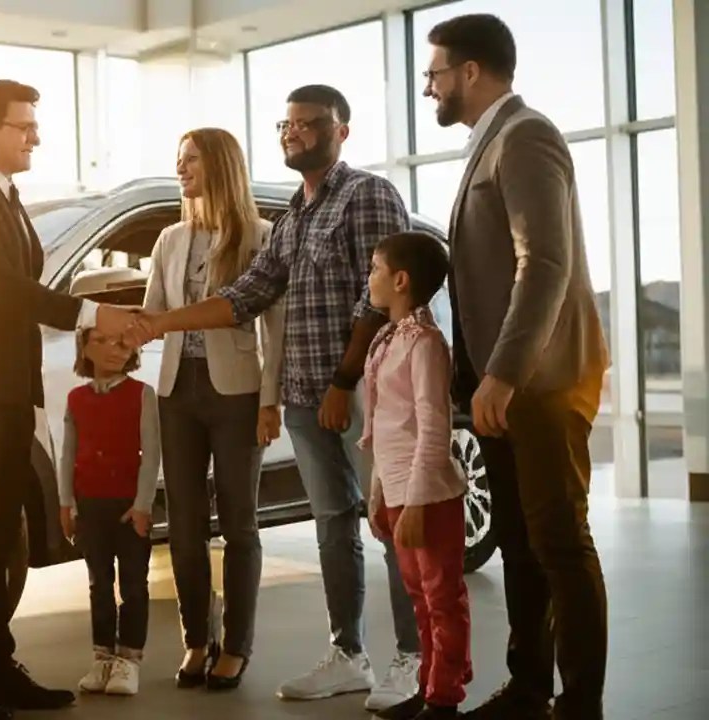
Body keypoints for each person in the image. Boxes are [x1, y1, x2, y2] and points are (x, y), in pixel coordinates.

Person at [126, 85, 423, 713]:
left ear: (341, 130)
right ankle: (349, 655)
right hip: (306, 398)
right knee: (333, 527)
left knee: (394, 523)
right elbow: (245, 298)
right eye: (286, 125)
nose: (294, 134)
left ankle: (412, 658)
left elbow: (386, 300)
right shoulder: (294, 218)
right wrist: (158, 324)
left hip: (362, 392)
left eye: (309, 124)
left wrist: (344, 384)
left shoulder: (366, 195)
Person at [0, 78, 135, 720]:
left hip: (4, 392)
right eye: (23, 126)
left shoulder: (5, 197)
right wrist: (94, 312)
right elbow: (1, 290)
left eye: (34, 125)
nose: (34, 136)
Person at [420, 15, 609, 720]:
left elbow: (546, 263)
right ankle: (530, 690)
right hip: (503, 387)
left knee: (560, 542)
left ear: (471, 72)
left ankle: (580, 705)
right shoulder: (490, 143)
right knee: (524, 547)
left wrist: (502, 370)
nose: (429, 88)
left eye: (434, 73)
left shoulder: (527, 136)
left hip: (542, 380)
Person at [141, 127, 283, 692]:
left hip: (237, 391)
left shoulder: (260, 235)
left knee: (240, 526)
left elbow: (276, 328)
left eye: (191, 159)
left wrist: (269, 400)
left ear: (220, 164)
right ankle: (198, 640)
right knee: (183, 526)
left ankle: (239, 645)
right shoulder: (170, 239)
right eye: (178, 159)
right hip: (177, 391)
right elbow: (153, 315)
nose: (182, 168)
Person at [361, 232, 473, 720]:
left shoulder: (425, 344)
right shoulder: (389, 339)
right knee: (419, 598)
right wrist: (379, 493)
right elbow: (384, 426)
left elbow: (434, 425)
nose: (369, 278)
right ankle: (431, 683)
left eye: (374, 269)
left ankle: (444, 696)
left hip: (428, 496)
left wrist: (419, 502)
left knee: (442, 596)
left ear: (400, 280)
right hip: (399, 492)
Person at [57, 327, 159, 698]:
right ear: (84, 349)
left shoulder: (141, 395)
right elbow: (68, 453)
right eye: (99, 341)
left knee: (133, 583)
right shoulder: (75, 399)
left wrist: (143, 504)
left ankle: (129, 659)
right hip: (90, 506)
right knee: (98, 583)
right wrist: (66, 502)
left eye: (118, 342)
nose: (111, 349)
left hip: (128, 507)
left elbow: (151, 452)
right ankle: (102, 655)